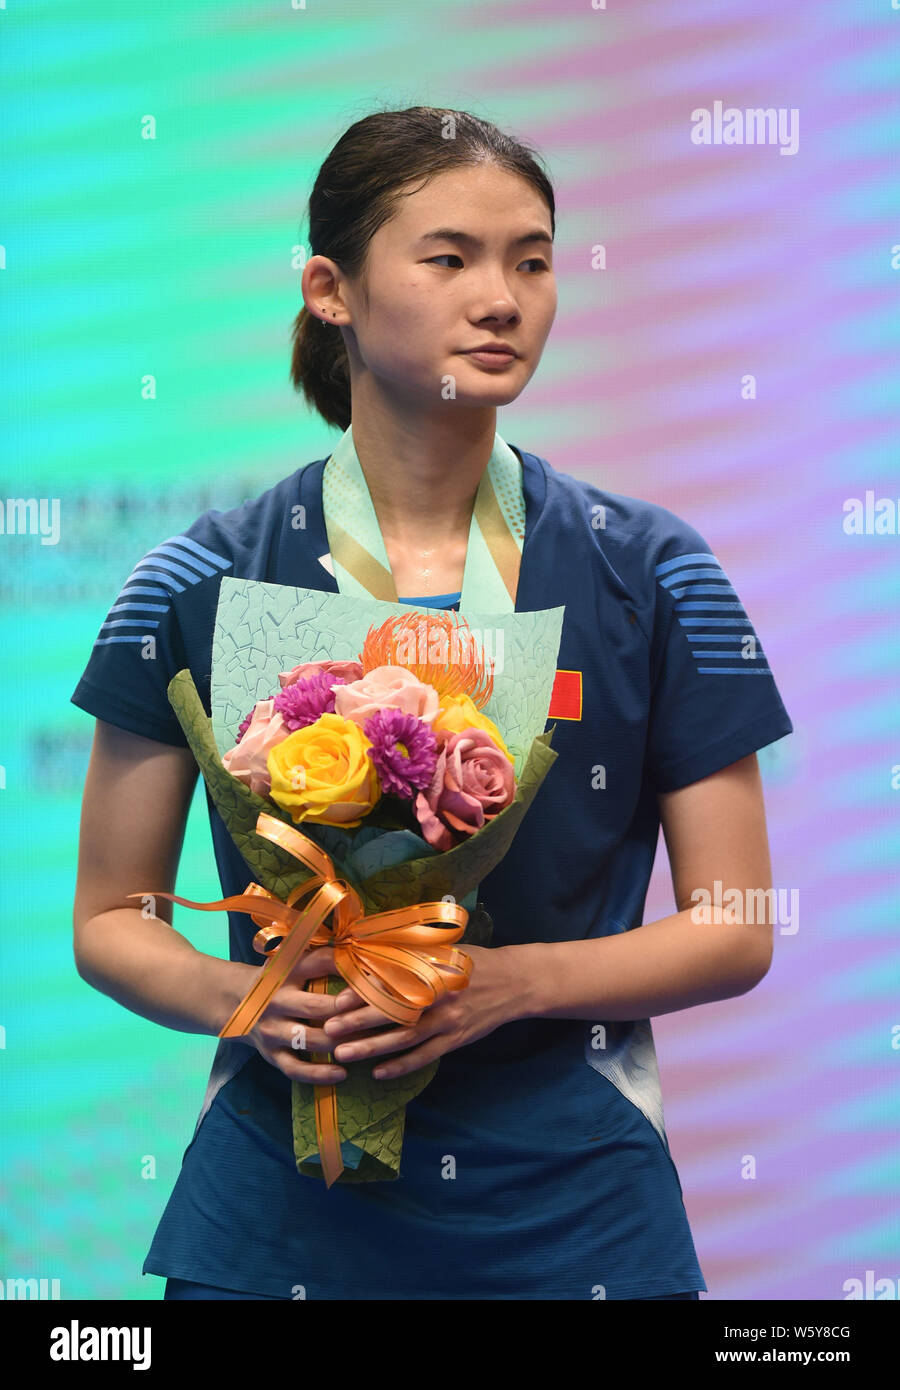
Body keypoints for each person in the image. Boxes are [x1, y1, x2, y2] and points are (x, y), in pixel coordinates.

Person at [71, 106, 792, 1301]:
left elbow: (736, 921)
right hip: (277, 1218)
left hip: (578, 1218)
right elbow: (112, 916)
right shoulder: (196, 578)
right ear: (330, 289)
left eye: (534, 259)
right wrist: (244, 1001)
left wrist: (521, 984)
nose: (502, 298)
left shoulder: (659, 571)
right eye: (449, 257)